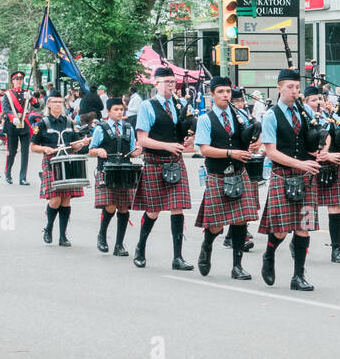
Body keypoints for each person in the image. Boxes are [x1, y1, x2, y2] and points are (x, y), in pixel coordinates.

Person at [257, 67, 322, 290]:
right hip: (283, 175)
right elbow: (271, 152)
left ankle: (298, 276)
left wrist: (319, 150)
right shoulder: (270, 116)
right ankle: (269, 254)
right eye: (290, 87)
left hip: (305, 177)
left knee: (304, 226)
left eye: (297, 87)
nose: (295, 91)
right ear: (279, 88)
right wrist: (300, 163)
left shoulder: (307, 113)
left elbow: (314, 145)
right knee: (282, 229)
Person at [192, 76, 261, 279]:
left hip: (239, 173)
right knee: (215, 224)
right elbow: (204, 149)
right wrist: (231, 153)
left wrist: (254, 145)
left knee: (240, 221)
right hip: (218, 174)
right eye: (220, 92)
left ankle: (237, 266)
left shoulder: (239, 115)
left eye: (228, 92)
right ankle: (207, 245)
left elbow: (247, 140)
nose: (225, 95)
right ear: (212, 95)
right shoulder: (206, 119)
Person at [132, 66, 196, 270]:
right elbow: (142, 140)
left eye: (173, 81)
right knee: (153, 210)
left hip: (175, 163)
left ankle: (178, 257)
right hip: (154, 162)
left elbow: (185, 131)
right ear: (156, 83)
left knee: (177, 208)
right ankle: (140, 248)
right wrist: (166, 146)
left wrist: (189, 138)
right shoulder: (147, 106)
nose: (171, 85)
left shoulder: (182, 104)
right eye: (166, 82)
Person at [304, 85, 340, 264]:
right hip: (310, 166)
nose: (318, 103)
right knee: (308, 210)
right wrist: (324, 155)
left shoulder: (331, 116)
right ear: (305, 102)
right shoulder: (303, 118)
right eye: (313, 100)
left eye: (320, 99)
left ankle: (336, 249)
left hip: (332, 166)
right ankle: (301, 244)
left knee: (335, 206)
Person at [31, 94, 90, 246]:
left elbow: (75, 144)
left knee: (66, 199)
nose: (58, 104)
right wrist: (45, 148)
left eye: (60, 102)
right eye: (55, 102)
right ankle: (49, 228)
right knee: (55, 199)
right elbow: (33, 146)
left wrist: (81, 143)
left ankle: (63, 236)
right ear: (49, 104)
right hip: (51, 162)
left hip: (67, 161)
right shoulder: (42, 123)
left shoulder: (69, 122)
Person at [89, 98, 139, 256]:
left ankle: (119, 245)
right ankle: (102, 236)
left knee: (124, 208)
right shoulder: (100, 128)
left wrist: (138, 151)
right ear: (108, 112)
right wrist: (99, 151)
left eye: (121, 109)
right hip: (106, 171)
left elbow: (132, 150)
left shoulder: (129, 128)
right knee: (110, 205)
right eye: (116, 109)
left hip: (124, 171)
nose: (119, 112)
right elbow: (91, 150)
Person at [1, 71, 36, 185]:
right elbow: (5, 108)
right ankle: (8, 173)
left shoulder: (27, 92)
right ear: (13, 81)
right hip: (12, 125)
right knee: (12, 151)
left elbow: (37, 105)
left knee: (25, 152)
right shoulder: (7, 94)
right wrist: (13, 117)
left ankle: (23, 178)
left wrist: (31, 98)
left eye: (21, 79)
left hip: (24, 125)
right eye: (17, 79)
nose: (19, 81)